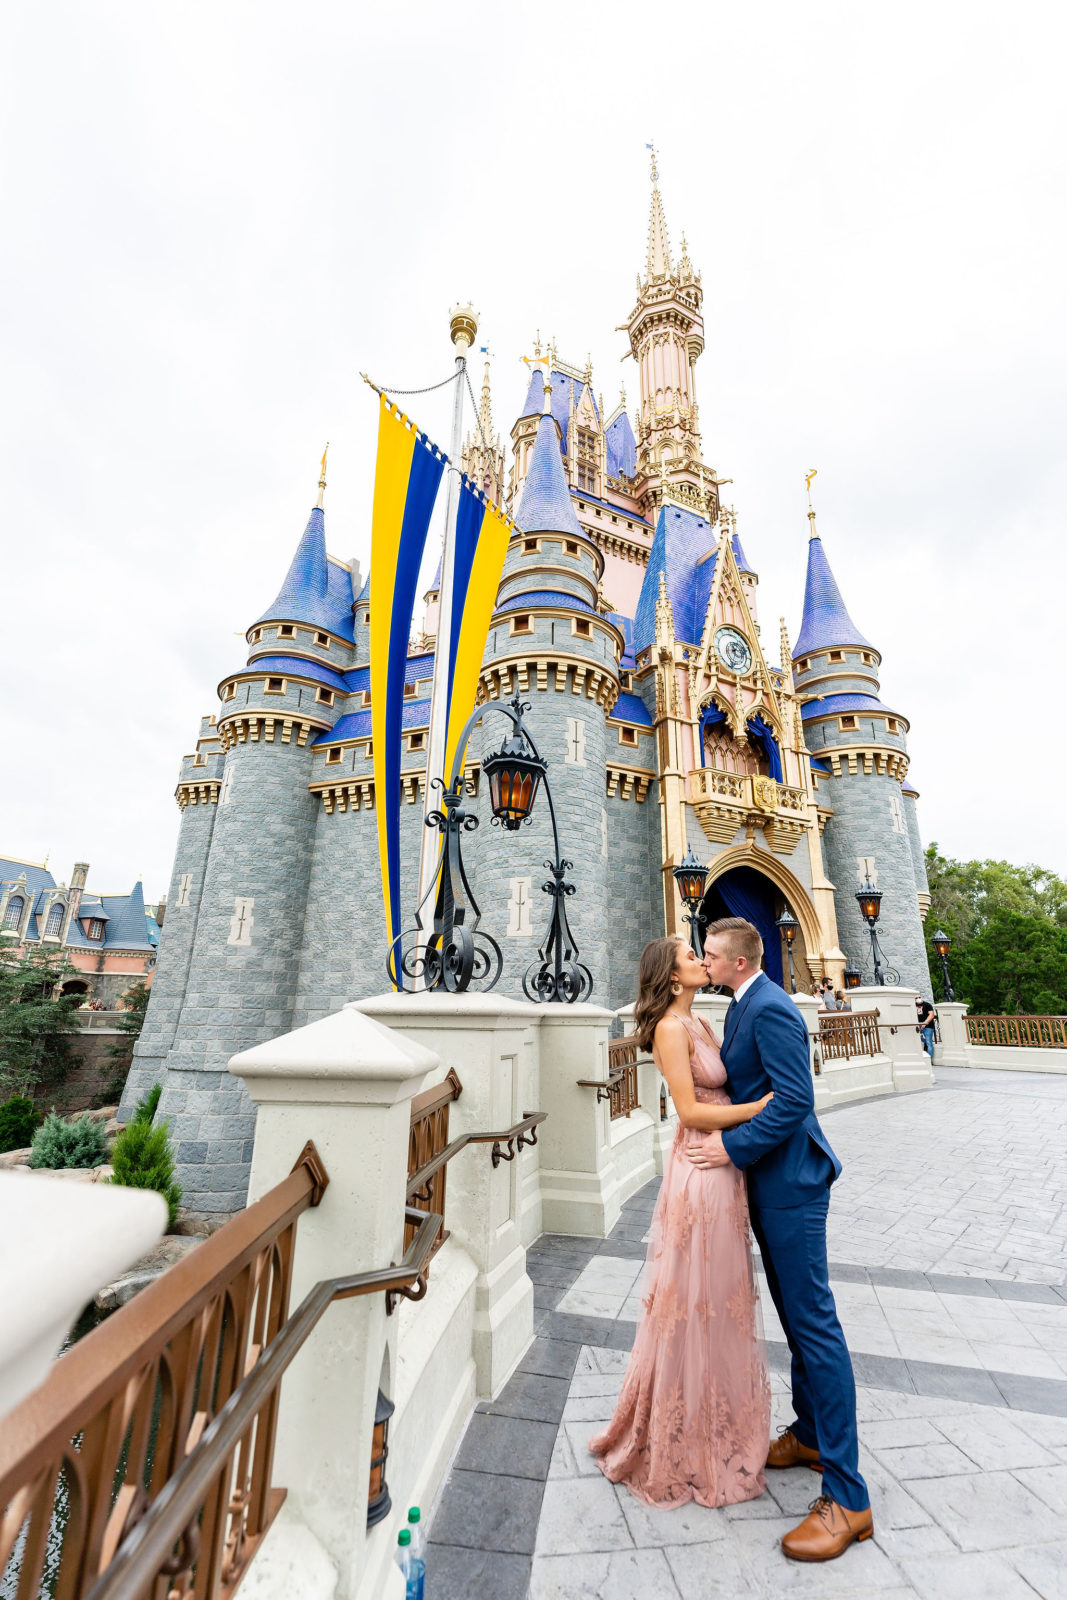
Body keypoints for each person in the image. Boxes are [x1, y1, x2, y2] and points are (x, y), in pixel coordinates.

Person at [691, 917, 873, 1561]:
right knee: (798, 1324)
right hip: (772, 1184)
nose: (702, 960)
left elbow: (794, 1099)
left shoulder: (769, 1008)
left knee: (815, 1324)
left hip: (793, 1184)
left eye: (710, 955)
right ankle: (812, 1434)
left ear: (739, 962)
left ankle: (849, 1499)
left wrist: (731, 1148)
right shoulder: (744, 1003)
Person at [589, 936, 772, 1508]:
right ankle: (681, 1438)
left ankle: (708, 1422)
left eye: (704, 954)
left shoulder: (700, 1022)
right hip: (702, 1163)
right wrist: (765, 1108)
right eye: (692, 957)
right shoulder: (671, 1028)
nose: (702, 960)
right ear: (671, 977)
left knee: (715, 1298)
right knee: (698, 1300)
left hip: (720, 1159)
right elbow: (690, 1110)